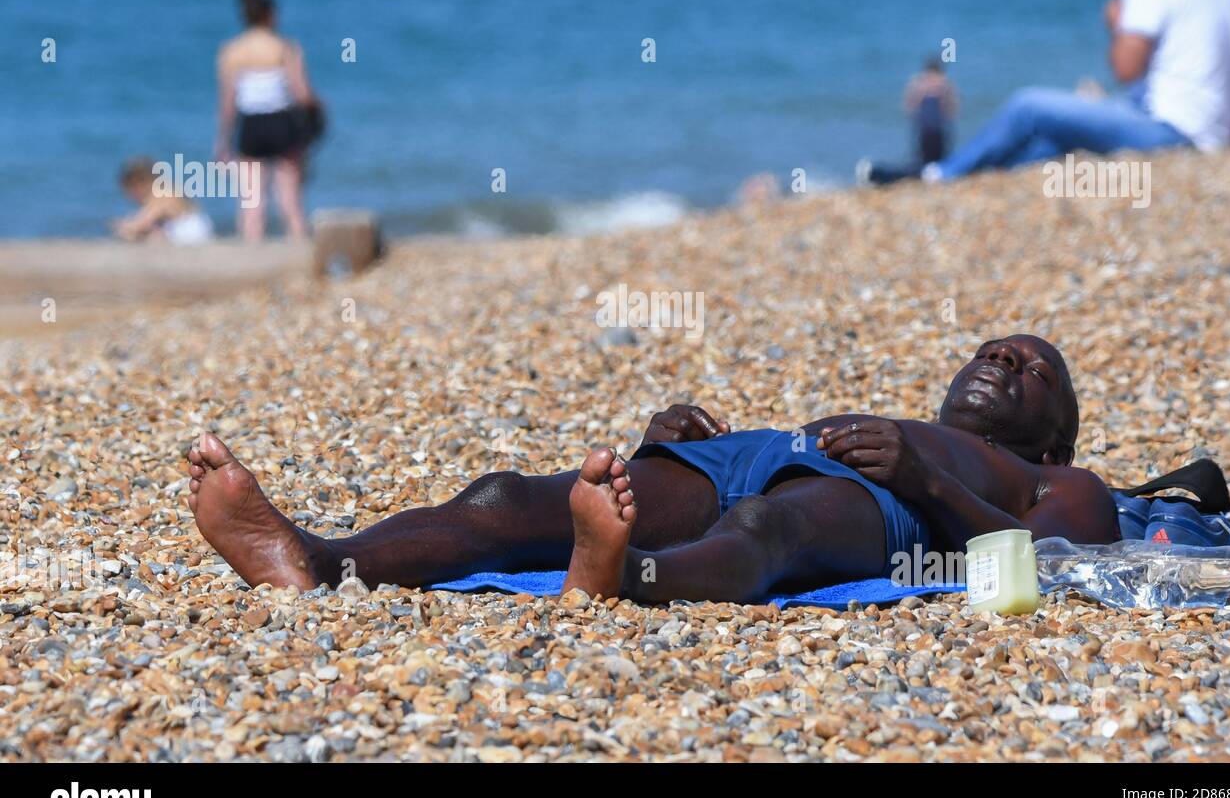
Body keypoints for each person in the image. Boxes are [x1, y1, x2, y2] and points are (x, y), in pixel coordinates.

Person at [183, 334, 1119, 603]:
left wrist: (921, 480)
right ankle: (317, 556)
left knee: (768, 532)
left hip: (887, 499)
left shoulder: (1059, 481)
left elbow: (1039, 559)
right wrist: (675, 436)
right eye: (994, 350)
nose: (1003, 362)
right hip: (759, 446)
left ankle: (621, 573)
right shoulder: (915, 420)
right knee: (509, 496)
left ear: (1056, 436)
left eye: (1032, 369)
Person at [870, 0, 1230, 185]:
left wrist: (1117, 26)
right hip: (1214, 127)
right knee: (1051, 139)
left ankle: (938, 175)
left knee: (1028, 105)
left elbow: (1126, 69)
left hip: (1173, 133)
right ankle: (977, 172)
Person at [215, 0, 321, 241]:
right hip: (283, 124)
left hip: (251, 126)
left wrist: (223, 142)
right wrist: (318, 112)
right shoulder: (285, 48)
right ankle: (298, 253)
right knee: (290, 201)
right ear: (270, 15)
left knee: (251, 203)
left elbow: (228, 103)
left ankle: (251, 261)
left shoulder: (231, 51)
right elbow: (302, 94)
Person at [111, 156, 215, 245]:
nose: (130, 196)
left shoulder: (161, 194)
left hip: (189, 233)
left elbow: (140, 224)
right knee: (153, 233)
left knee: (153, 237)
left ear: (139, 183)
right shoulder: (168, 189)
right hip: (197, 229)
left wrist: (120, 226)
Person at [903, 59, 958, 166]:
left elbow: (910, 104)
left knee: (922, 155)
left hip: (924, 126)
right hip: (939, 126)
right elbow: (951, 107)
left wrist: (914, 116)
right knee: (940, 155)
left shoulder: (919, 82)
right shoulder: (944, 82)